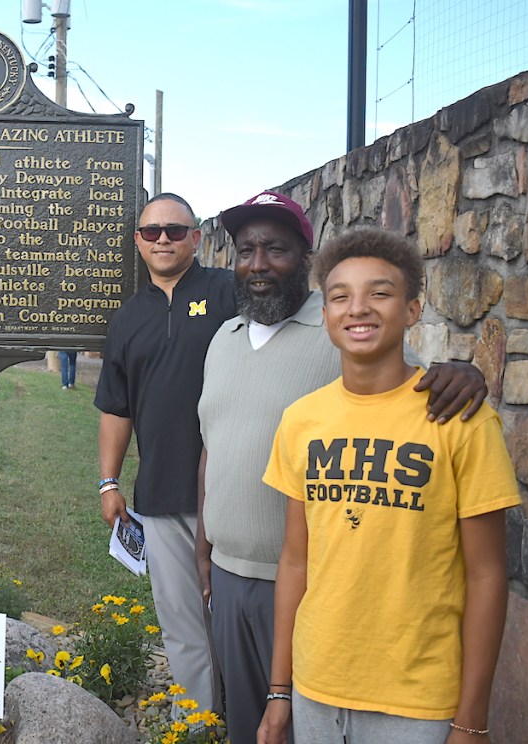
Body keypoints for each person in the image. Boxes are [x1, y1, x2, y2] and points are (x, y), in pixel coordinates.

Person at [197, 192, 489, 744]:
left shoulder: (336, 331)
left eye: (276, 249)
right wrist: (203, 548)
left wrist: (467, 374)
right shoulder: (223, 339)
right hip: (233, 576)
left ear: (304, 257)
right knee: (250, 726)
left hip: (314, 594)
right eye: (246, 250)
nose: (258, 263)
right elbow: (210, 443)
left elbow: (402, 383)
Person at [258, 227, 519, 744]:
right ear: (326, 315)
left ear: (413, 310)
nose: (358, 308)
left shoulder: (462, 421)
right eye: (340, 296)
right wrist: (280, 690)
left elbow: (488, 576)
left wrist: (471, 719)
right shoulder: (301, 421)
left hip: (417, 699)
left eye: (380, 293)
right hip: (317, 687)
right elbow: (294, 560)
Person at [94, 192, 235, 713]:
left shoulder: (230, 292)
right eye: (151, 231)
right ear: (138, 241)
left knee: (239, 618)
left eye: (175, 231)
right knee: (181, 624)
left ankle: (251, 719)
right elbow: (116, 406)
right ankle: (197, 723)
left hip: (234, 489)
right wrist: (109, 482)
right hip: (159, 496)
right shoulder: (129, 317)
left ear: (196, 238)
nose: (162, 239)